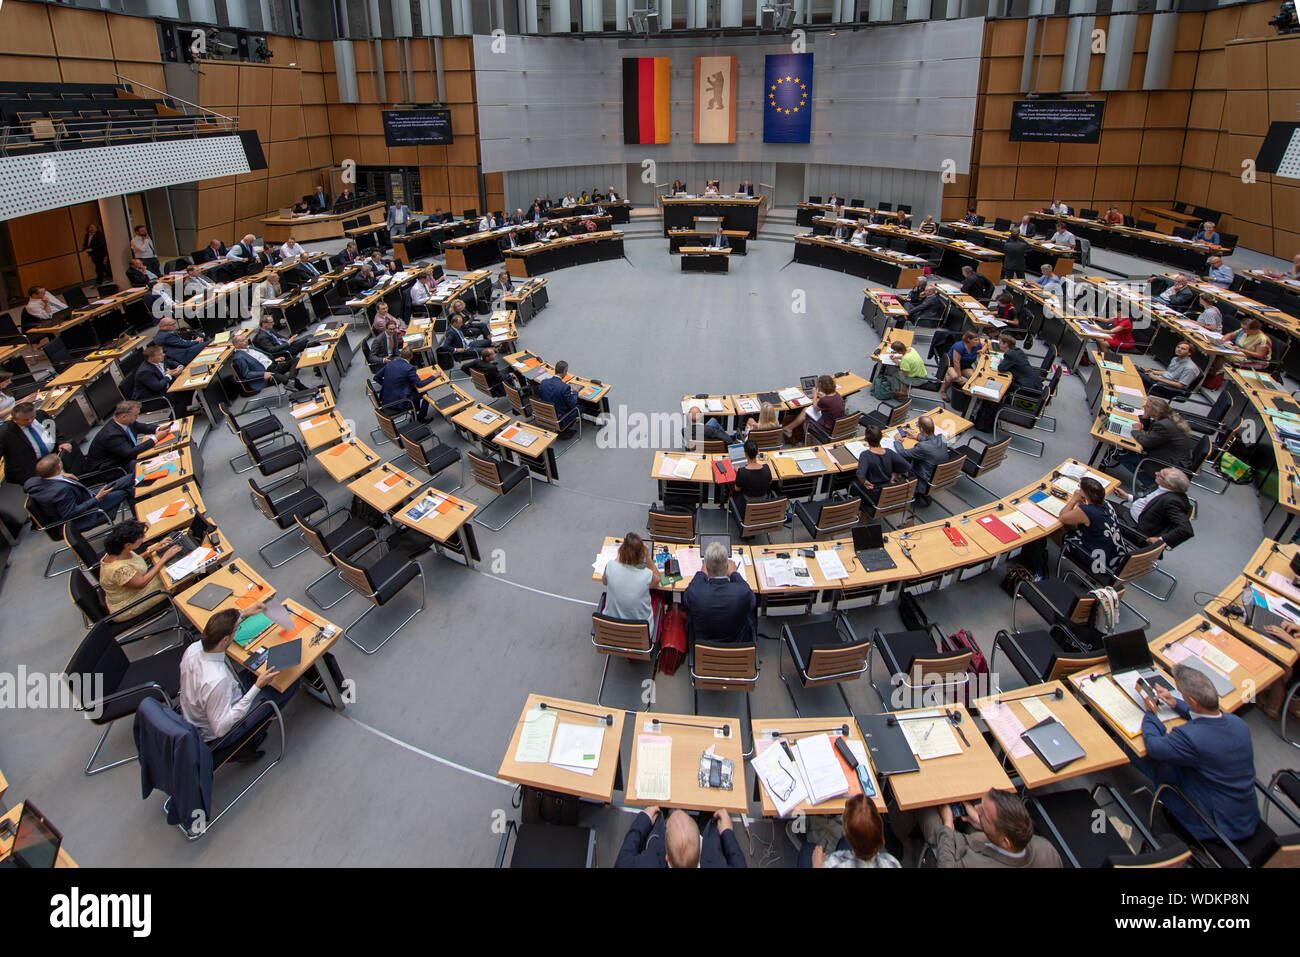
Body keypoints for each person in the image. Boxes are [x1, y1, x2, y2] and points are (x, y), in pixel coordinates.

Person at [1138, 664, 1258, 843]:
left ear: (1193, 701)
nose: (1181, 696)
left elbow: (1154, 746)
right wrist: (1176, 703)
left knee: (1143, 754)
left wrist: (1150, 714)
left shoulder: (1189, 737)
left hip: (1216, 827)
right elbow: (1206, 718)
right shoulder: (1237, 723)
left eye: (1182, 694)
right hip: (1245, 816)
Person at [180, 607, 297, 763]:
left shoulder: (193, 650)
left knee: (256, 672)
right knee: (287, 683)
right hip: (222, 733)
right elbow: (221, 728)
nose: (236, 632)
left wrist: (243, 614)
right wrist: (257, 687)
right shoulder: (217, 680)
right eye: (235, 630)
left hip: (201, 712)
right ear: (224, 640)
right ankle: (253, 737)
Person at [920, 789, 1062, 868]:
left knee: (925, 809)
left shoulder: (975, 864)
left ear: (1005, 841)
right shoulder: (1046, 848)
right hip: (985, 846)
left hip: (959, 854)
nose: (976, 808)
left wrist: (947, 826)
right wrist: (982, 823)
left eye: (984, 814)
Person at [23, 453, 132, 532]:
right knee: (128, 490)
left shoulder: (31, 482)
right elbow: (70, 514)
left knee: (128, 479)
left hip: (86, 496)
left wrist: (60, 476)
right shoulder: (61, 491)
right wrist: (97, 498)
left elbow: (26, 487)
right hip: (89, 511)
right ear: (59, 467)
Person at [615, 807, 746, 868]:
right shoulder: (717, 864)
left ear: (667, 857)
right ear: (700, 850)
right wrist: (727, 832)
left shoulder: (646, 863)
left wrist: (643, 820)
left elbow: (622, 861)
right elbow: (739, 863)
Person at [1105, 396, 1193, 486]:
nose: (1144, 407)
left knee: (1122, 457)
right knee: (1126, 452)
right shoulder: (1167, 418)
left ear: (1156, 412)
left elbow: (1145, 442)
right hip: (1171, 457)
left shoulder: (1164, 425)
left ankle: (1151, 484)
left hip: (1166, 463)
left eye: (1147, 407)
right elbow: (1149, 428)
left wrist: (1135, 430)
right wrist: (1146, 415)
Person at [99, 520, 181, 616]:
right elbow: (141, 583)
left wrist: (152, 550)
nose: (144, 538)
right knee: (177, 581)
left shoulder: (117, 550)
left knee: (170, 571)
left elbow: (131, 562)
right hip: (128, 605)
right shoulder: (118, 569)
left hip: (131, 591)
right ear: (128, 544)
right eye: (141, 537)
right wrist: (164, 558)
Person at [799, 794, 901, 868]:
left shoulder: (832, 864)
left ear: (847, 832)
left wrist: (817, 865)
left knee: (807, 849)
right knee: (843, 842)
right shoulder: (892, 863)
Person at [682, 542, 755, 643]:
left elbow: (686, 598)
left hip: (703, 651)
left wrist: (701, 574)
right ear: (727, 567)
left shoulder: (695, 593)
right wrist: (734, 573)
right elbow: (752, 602)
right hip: (736, 648)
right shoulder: (743, 592)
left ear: (706, 568)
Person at [0, 402, 85, 486]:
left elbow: (55, 432)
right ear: (14, 419)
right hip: (31, 470)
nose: (30, 421)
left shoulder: (41, 415)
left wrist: (61, 443)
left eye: (32, 417)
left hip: (54, 458)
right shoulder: (4, 433)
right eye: (25, 420)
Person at [1053, 475, 1124, 573]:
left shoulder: (1087, 511)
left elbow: (1063, 517)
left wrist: (1074, 499)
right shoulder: (1107, 504)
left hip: (1098, 561)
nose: (1078, 490)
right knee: (1071, 524)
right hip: (1114, 556)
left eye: (1080, 488)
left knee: (1054, 531)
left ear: (1085, 494)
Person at [1111, 467, 1194, 548]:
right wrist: (1128, 497)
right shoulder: (1165, 490)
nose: (1156, 473)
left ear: (1170, 486)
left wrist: (1160, 540)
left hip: (1135, 529)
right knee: (1103, 503)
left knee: (1099, 511)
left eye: (1160, 475)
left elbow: (1186, 529)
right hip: (1132, 516)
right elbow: (1149, 502)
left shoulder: (1173, 502)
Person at [601, 532, 663, 624]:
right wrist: (647, 556)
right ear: (641, 554)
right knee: (660, 595)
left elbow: (605, 581)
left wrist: (621, 552)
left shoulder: (610, 566)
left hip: (611, 628)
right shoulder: (646, 575)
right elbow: (657, 579)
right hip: (639, 632)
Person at [85, 400, 163, 473]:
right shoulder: (112, 435)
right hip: (112, 468)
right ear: (124, 417)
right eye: (135, 415)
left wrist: (158, 429)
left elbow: (142, 427)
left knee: (159, 455)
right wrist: (155, 438)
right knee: (153, 466)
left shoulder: (126, 422)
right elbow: (130, 453)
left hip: (124, 458)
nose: (137, 417)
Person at [853, 425, 912, 511]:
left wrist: (864, 482)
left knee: (853, 483)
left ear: (867, 439)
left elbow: (860, 475)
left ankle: (862, 512)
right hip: (888, 490)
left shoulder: (865, 455)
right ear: (880, 438)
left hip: (875, 494)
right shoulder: (889, 452)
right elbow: (907, 466)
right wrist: (894, 475)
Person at [897, 415, 951, 505]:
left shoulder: (922, 447)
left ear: (921, 429)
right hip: (938, 476)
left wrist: (897, 441)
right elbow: (932, 440)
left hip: (924, 478)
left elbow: (902, 453)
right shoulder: (942, 437)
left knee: (903, 459)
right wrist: (917, 437)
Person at [231, 333, 305, 393]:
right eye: (243, 340)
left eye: (245, 339)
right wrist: (263, 374)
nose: (246, 341)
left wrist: (275, 359)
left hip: (273, 365)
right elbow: (246, 374)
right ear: (236, 344)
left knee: (296, 360)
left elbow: (262, 357)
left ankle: (292, 381)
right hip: (265, 373)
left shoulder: (250, 347)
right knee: (285, 379)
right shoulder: (239, 357)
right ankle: (303, 390)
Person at [375, 347, 434, 420]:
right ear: (411, 356)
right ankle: (420, 418)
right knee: (425, 395)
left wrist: (389, 385)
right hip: (399, 402)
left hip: (385, 399)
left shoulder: (390, 363)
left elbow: (376, 377)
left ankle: (415, 411)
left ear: (400, 355)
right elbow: (420, 384)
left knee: (413, 390)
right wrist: (434, 376)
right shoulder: (409, 368)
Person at [133, 344, 189, 416]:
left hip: (165, 389)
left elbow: (172, 363)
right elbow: (157, 387)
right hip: (153, 398)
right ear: (151, 358)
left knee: (187, 389)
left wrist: (179, 367)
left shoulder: (160, 360)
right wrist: (169, 375)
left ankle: (183, 411)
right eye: (160, 354)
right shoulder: (145, 371)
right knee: (182, 395)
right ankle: (176, 418)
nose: (163, 355)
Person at [785, 374, 843, 443]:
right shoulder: (837, 395)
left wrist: (815, 395)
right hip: (835, 425)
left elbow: (815, 409)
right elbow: (827, 405)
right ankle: (789, 428)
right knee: (805, 410)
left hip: (827, 429)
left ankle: (809, 444)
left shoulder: (825, 400)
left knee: (806, 419)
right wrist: (822, 397)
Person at [940, 330, 984, 401]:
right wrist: (959, 377)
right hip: (951, 364)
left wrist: (982, 350)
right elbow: (956, 362)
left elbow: (985, 344)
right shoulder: (959, 346)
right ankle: (944, 391)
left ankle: (970, 394)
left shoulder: (977, 345)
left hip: (965, 365)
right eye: (975, 340)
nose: (977, 341)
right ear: (969, 340)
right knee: (954, 376)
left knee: (973, 377)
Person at [730, 439, 772, 512]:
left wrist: (738, 472)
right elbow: (769, 482)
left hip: (746, 506)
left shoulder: (741, 472)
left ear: (745, 454)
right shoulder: (766, 468)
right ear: (758, 452)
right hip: (764, 503)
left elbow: (737, 489)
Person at [538, 361, 580, 433]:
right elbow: (572, 404)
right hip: (561, 418)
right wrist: (575, 392)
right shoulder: (565, 387)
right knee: (581, 406)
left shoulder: (543, 382)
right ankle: (570, 425)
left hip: (547, 415)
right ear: (564, 371)